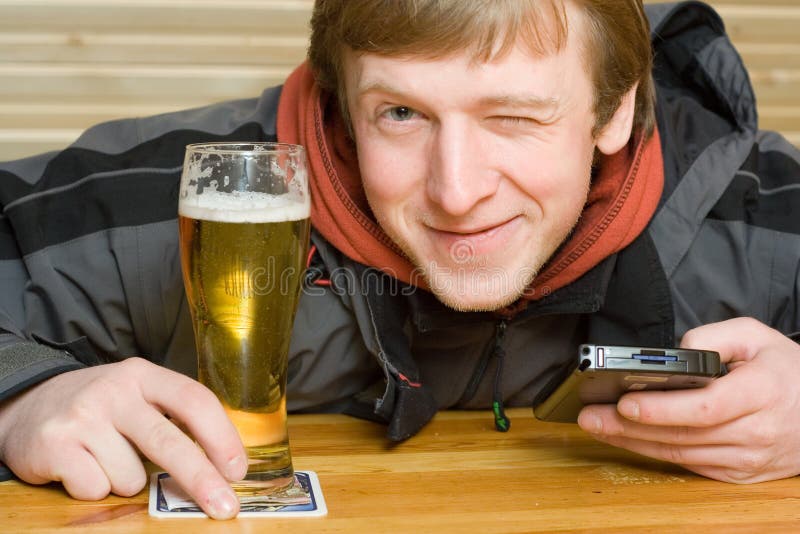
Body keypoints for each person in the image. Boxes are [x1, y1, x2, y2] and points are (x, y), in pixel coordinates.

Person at [1, 0, 799, 520]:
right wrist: (22, 397)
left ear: (614, 110)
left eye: (515, 116)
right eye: (402, 113)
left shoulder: (761, 208)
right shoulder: (174, 199)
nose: (457, 192)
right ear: (344, 105)